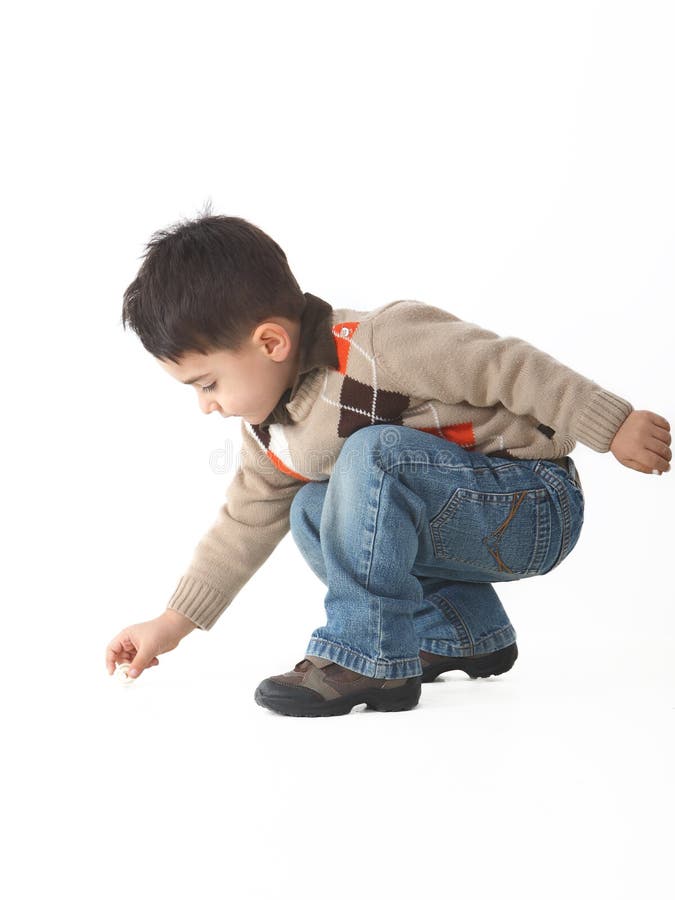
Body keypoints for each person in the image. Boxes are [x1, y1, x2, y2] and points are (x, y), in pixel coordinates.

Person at [105, 206, 672, 717]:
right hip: (464, 521)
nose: (206, 406)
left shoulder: (380, 344)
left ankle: (367, 653)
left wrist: (611, 424)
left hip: (533, 501)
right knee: (309, 507)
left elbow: (508, 366)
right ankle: (461, 632)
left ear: (271, 343)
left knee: (371, 454)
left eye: (207, 384)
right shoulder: (273, 434)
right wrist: (172, 622)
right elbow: (241, 527)